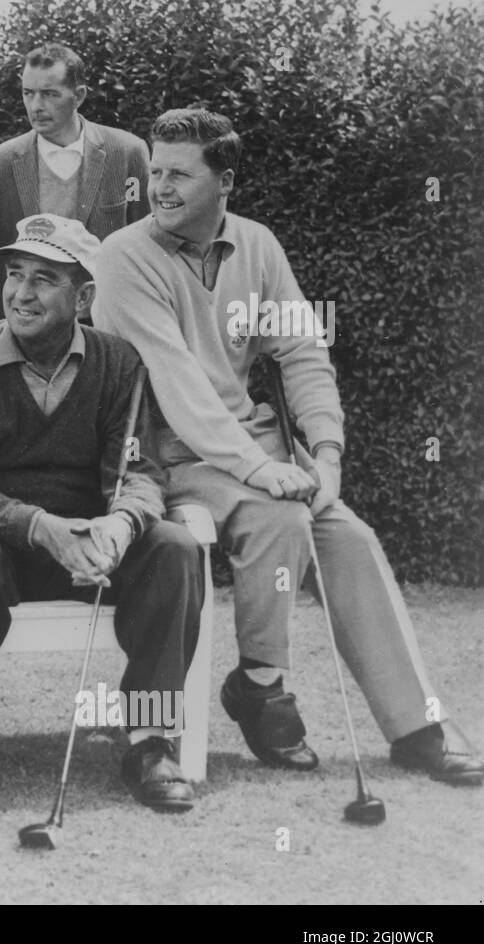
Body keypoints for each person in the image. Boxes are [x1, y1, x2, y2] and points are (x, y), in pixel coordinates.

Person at [93, 108, 482, 785]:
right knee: (280, 515)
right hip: (169, 454)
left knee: (350, 537)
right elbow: (179, 387)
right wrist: (261, 470)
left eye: (180, 175)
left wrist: (325, 454)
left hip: (258, 451)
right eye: (156, 171)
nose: (161, 186)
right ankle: (265, 686)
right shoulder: (123, 257)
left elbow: (301, 350)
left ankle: (416, 722)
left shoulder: (258, 245)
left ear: (226, 181)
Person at [0, 214, 204, 813]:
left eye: (44, 279)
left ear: (85, 296)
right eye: (14, 274)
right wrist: (42, 528)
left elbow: (141, 472)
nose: (21, 293)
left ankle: (150, 741)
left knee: (176, 547)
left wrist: (120, 524)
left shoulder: (119, 363)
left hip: (90, 553)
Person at [0, 44, 148, 320]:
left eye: (49, 94)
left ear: (78, 96)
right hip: (23, 323)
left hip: (104, 321)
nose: (35, 106)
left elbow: (145, 244)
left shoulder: (127, 152)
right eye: (28, 93)